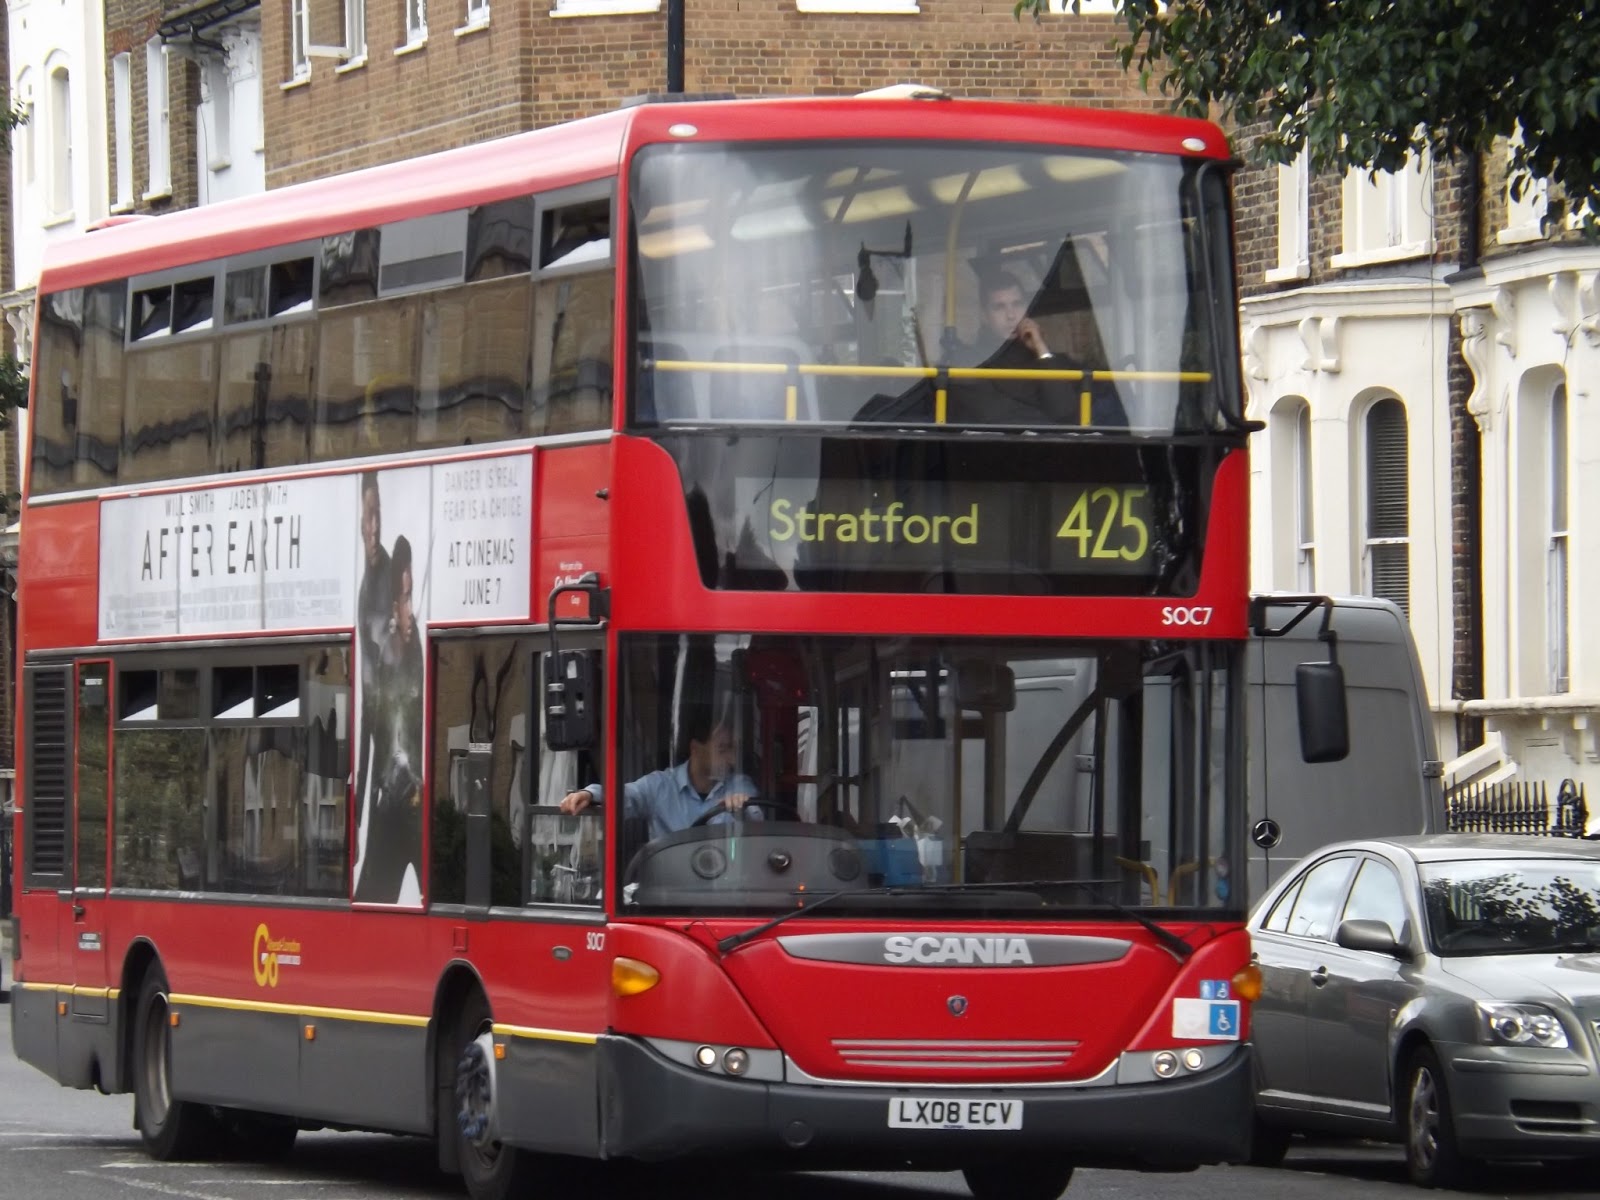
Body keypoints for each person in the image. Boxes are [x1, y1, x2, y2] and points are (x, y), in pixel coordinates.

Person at [953, 270, 1127, 428]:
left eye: (1017, 304)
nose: (1011, 315)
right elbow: (1000, 417)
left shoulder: (1047, 358)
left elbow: (1066, 411)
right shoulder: (971, 363)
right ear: (984, 316)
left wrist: (1041, 349)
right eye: (999, 307)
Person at [558, 708, 763, 840]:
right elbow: (625, 796)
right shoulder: (660, 786)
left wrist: (742, 806)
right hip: (668, 896)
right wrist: (589, 794)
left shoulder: (739, 785)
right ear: (696, 748)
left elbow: (757, 818)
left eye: (733, 749)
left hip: (724, 896)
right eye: (723, 749)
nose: (732, 759)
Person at [354, 535, 425, 903]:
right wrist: (357, 814)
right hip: (386, 808)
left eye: (412, 599)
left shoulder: (419, 655)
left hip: (417, 802)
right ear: (395, 604)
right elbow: (367, 740)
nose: (410, 612)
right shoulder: (381, 665)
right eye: (406, 600)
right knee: (369, 902)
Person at [353, 470, 392, 841]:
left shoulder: (389, 580)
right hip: (372, 746)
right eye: (369, 516)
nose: (375, 527)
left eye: (378, 513)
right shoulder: (363, 589)